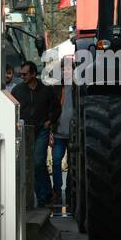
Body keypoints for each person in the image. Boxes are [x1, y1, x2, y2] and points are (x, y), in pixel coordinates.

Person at [11, 60, 61, 206]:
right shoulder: (17, 90)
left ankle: (43, 197)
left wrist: (49, 121)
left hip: (41, 130)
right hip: (24, 131)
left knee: (38, 162)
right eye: (21, 74)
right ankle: (44, 194)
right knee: (31, 165)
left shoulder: (46, 90)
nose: (22, 77)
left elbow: (57, 108)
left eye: (25, 74)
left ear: (33, 74)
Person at [51, 79, 73, 209]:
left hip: (73, 133)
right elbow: (51, 108)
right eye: (64, 69)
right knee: (56, 162)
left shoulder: (79, 87)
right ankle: (57, 191)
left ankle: (71, 190)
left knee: (73, 163)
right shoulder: (56, 87)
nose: (66, 72)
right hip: (58, 132)